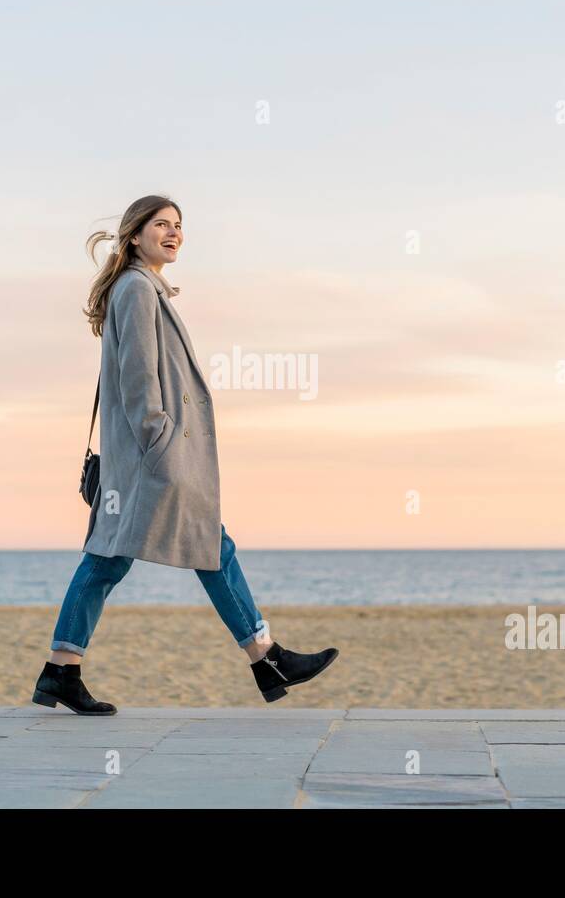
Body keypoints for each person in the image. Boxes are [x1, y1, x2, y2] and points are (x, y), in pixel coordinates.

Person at [32, 195, 339, 715]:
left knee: (114, 558)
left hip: (144, 459)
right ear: (134, 234)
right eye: (161, 225)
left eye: (179, 227)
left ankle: (61, 670)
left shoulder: (143, 288)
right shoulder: (136, 289)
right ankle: (266, 657)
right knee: (205, 548)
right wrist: (163, 443)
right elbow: (136, 378)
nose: (173, 233)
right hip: (155, 459)